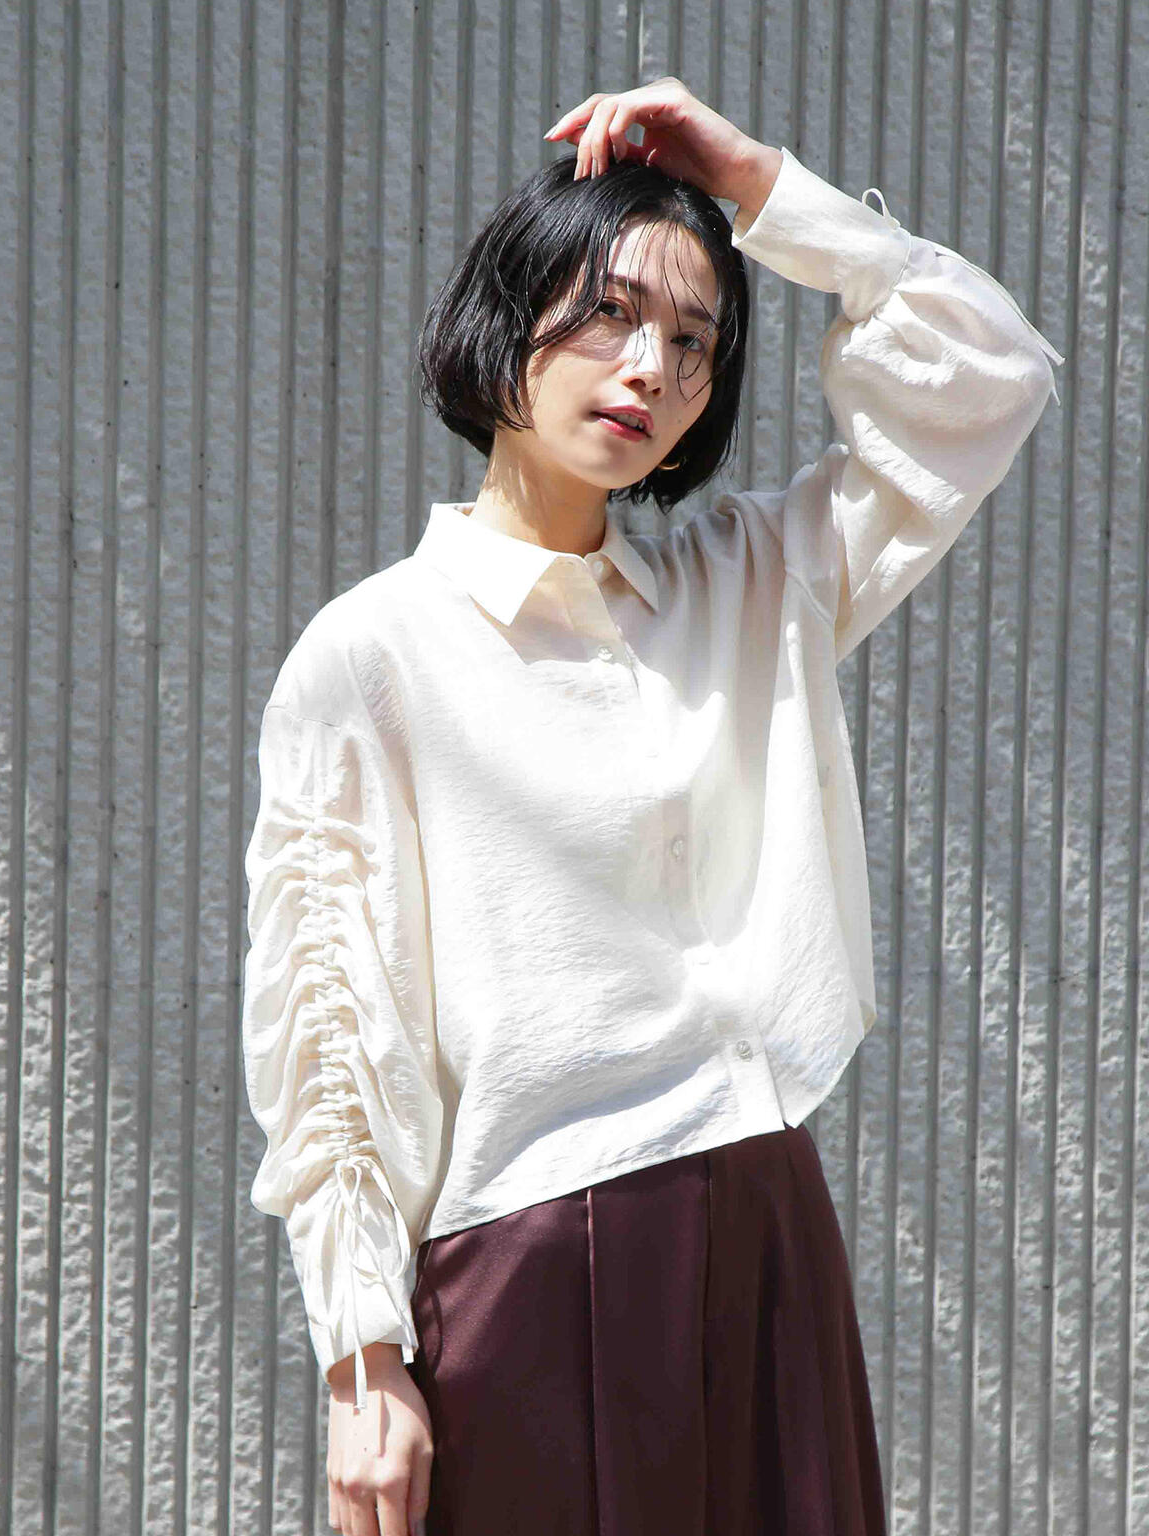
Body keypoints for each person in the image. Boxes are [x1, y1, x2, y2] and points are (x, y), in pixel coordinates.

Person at [240, 77, 1063, 1536]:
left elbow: (987, 377)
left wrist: (757, 186)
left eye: (694, 340)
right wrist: (363, 1364)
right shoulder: (372, 655)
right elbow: (334, 1037)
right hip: (535, 1253)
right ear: (509, 321)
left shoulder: (746, 584)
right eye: (610, 314)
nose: (650, 367)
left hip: (766, 1225)